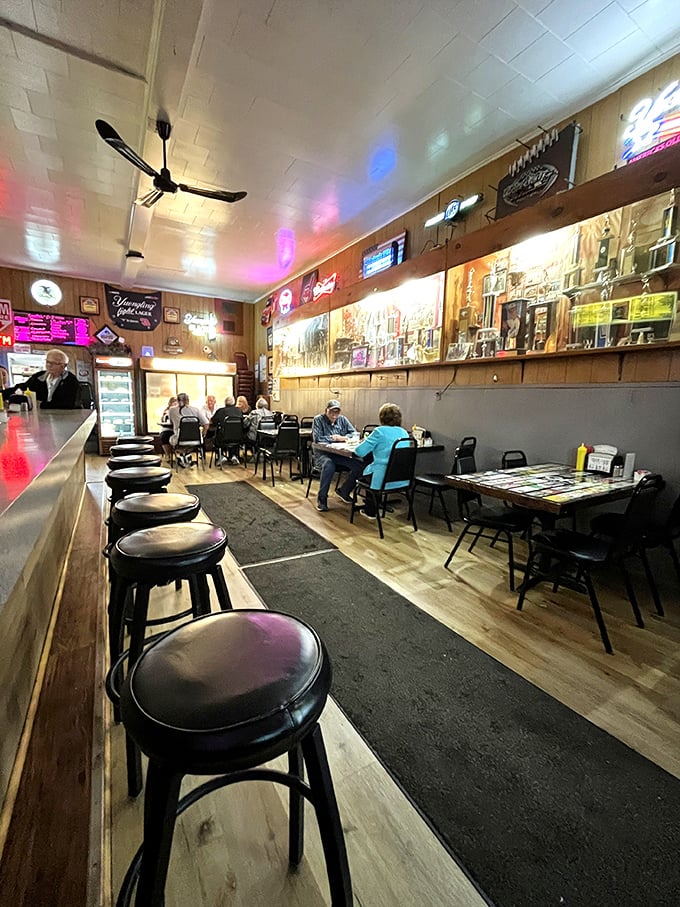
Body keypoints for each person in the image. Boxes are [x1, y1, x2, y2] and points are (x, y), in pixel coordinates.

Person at [336, 402, 409, 519]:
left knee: (362, 469)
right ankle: (368, 501)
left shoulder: (379, 432)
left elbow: (360, 452)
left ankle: (370, 510)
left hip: (381, 478)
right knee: (370, 465)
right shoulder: (404, 432)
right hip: (401, 477)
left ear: (382, 417)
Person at [311, 399, 356, 512]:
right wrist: (333, 438)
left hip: (339, 454)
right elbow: (317, 438)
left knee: (359, 465)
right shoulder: (318, 420)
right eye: (332, 412)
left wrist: (345, 438)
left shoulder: (343, 419)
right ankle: (322, 499)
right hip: (322, 454)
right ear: (326, 411)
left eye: (337, 412)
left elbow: (354, 433)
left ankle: (344, 491)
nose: (334, 415)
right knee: (329, 465)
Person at [1, 349, 79, 409]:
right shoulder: (39, 377)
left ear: (63, 366)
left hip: (65, 418)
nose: (49, 365)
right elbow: (23, 387)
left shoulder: (71, 380)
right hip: (42, 417)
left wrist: (41, 404)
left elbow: (68, 404)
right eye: (47, 362)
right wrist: (2, 394)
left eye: (53, 363)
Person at [168, 392, 209, 467]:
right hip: (195, 439)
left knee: (172, 440)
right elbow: (206, 423)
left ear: (177, 400)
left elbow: (171, 422)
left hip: (179, 439)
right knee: (191, 442)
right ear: (188, 400)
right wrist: (203, 434)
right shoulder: (196, 410)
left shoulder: (172, 410)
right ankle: (186, 455)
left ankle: (183, 456)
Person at [210, 395, 243, 464]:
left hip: (223, 437)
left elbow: (213, 421)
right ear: (234, 403)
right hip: (238, 437)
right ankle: (234, 456)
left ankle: (221, 456)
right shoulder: (239, 411)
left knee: (217, 437)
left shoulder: (221, 411)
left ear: (225, 403)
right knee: (233, 434)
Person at [159, 396, 177, 462]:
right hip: (167, 429)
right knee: (164, 436)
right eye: (174, 404)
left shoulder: (180, 411)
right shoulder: (167, 411)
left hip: (176, 430)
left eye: (176, 404)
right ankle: (168, 455)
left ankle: (183, 455)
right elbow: (164, 420)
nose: (175, 405)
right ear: (170, 404)